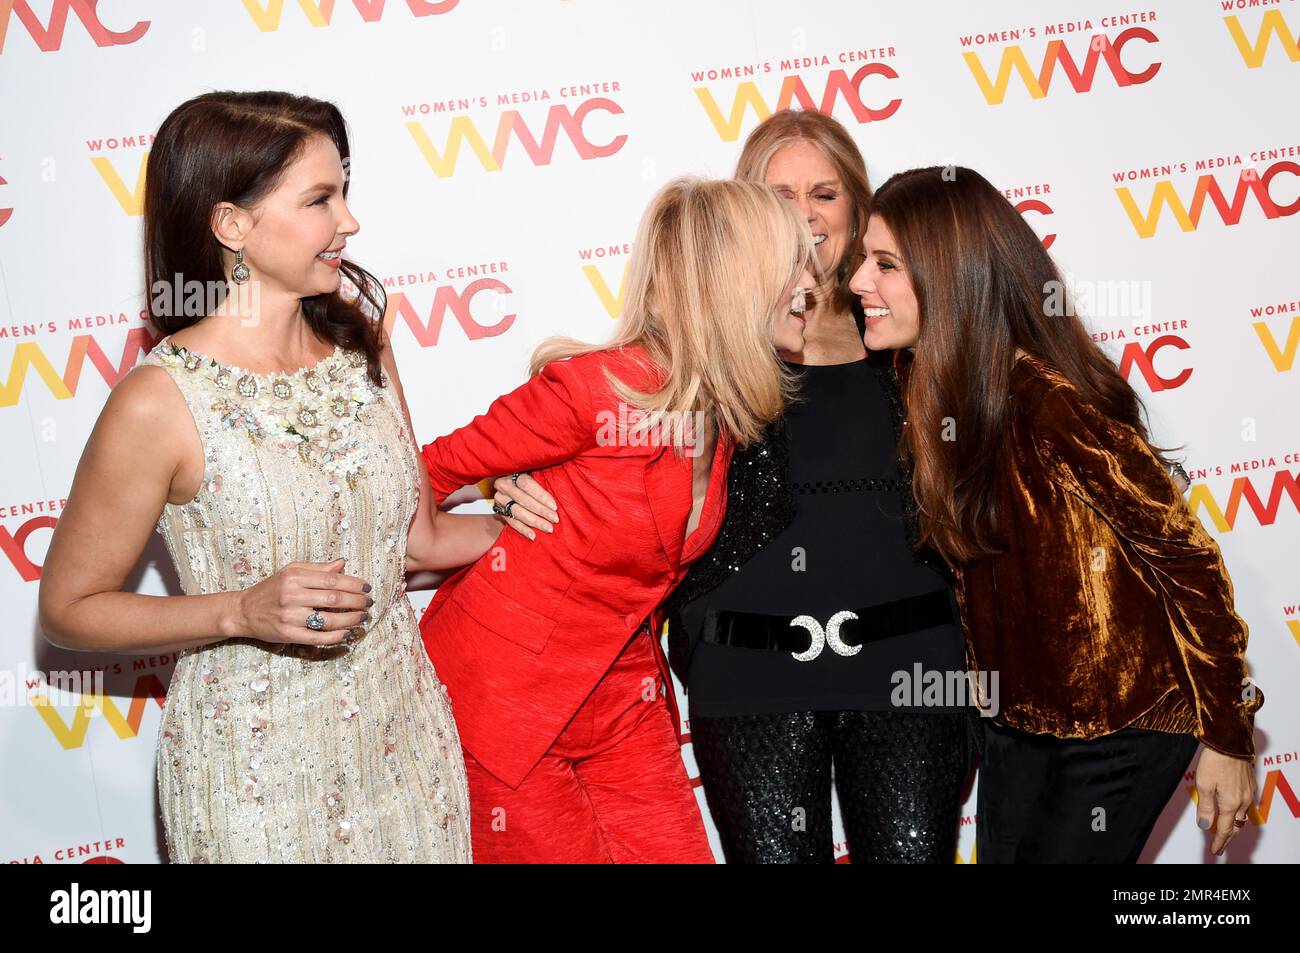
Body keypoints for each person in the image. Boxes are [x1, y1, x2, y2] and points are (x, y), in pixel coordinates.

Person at [37, 91, 504, 863]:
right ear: (233, 226)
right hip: (252, 783)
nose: (348, 221)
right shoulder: (161, 400)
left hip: (407, 751)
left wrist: (525, 519)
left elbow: (416, 538)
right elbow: (68, 607)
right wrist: (239, 611)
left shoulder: (366, 349)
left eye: (344, 192)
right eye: (320, 199)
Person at [849, 165, 1262, 863]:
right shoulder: (926, 383)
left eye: (884, 264)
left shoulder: (1050, 405)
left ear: (949, 275)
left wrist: (1228, 734)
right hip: (1020, 719)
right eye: (864, 259)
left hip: (1122, 722)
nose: (858, 281)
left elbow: (1187, 560)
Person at [416, 177, 816, 863]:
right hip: (505, 708)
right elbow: (415, 478)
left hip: (623, 701)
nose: (812, 283)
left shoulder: (724, 415)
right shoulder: (593, 388)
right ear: (741, 281)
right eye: (797, 265)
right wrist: (495, 511)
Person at [659, 110, 972, 864]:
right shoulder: (708, 335)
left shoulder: (906, 330)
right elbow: (599, 415)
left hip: (910, 673)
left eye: (825, 192)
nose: (804, 213)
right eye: (781, 193)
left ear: (858, 207)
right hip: (754, 676)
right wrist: (510, 484)